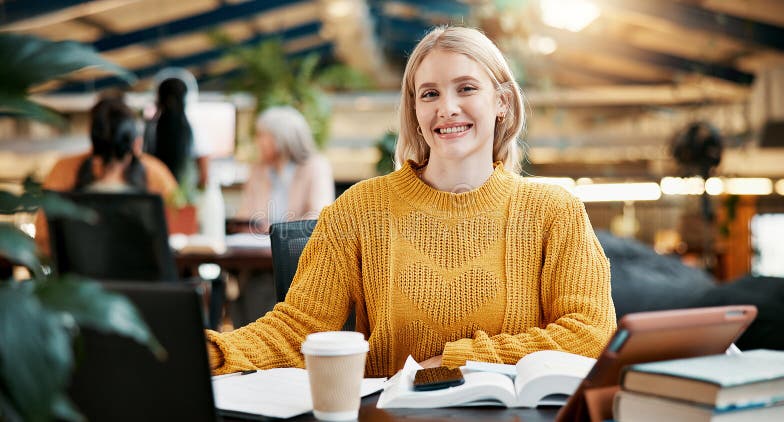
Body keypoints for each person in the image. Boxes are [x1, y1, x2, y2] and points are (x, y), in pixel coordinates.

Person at [206, 26, 616, 378]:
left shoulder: (554, 211)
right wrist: (207, 353)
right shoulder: (360, 209)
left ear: (502, 102)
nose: (447, 108)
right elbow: (298, 331)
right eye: (430, 93)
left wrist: (459, 360)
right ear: (415, 108)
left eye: (467, 88)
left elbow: (591, 333)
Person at [34, 96, 177, 254]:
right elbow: (177, 232)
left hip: (81, 276)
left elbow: (43, 236)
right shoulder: (155, 172)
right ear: (136, 143)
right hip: (143, 275)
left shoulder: (64, 169)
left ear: (92, 137)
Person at [236, 106, 334, 232]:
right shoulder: (257, 170)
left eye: (262, 135)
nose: (257, 141)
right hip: (258, 246)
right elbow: (245, 215)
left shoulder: (315, 167)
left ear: (281, 138)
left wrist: (275, 231)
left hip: (299, 248)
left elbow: (318, 217)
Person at [145, 76, 209, 192]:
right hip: (184, 196)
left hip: (156, 193)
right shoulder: (193, 128)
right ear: (185, 99)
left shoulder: (150, 128)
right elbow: (204, 176)